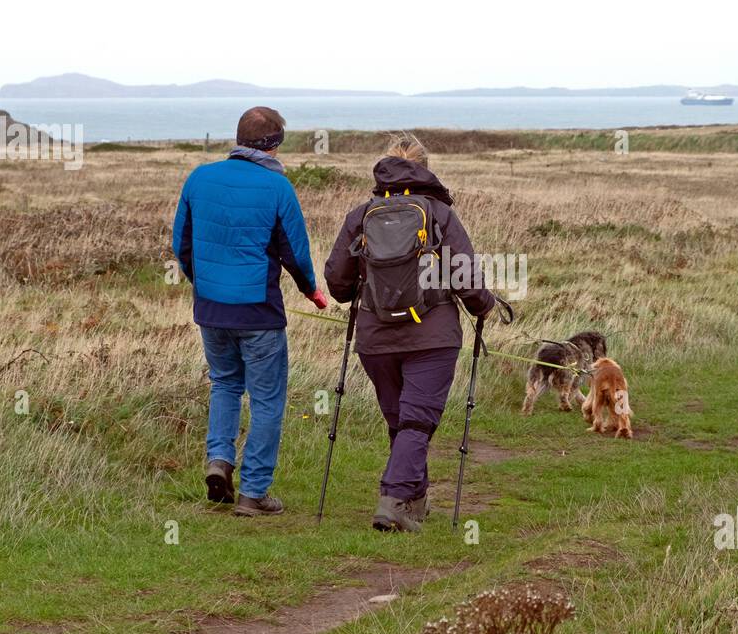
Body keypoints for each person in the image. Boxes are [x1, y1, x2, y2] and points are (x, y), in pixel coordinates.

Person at [324, 133, 495, 532]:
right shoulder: (439, 214)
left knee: (402, 420)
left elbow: (336, 282)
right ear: (426, 167)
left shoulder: (362, 214)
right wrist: (484, 306)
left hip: (375, 337)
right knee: (417, 421)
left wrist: (364, 290)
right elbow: (465, 275)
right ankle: (394, 498)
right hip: (431, 336)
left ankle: (413, 500)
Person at [171, 106, 328, 517]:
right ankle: (253, 493)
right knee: (267, 401)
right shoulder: (278, 187)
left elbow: (181, 245)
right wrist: (311, 291)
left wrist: (202, 283)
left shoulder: (198, 178)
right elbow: (295, 252)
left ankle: (219, 461)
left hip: (211, 311)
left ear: (239, 139)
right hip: (258, 314)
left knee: (224, 385)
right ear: (274, 145)